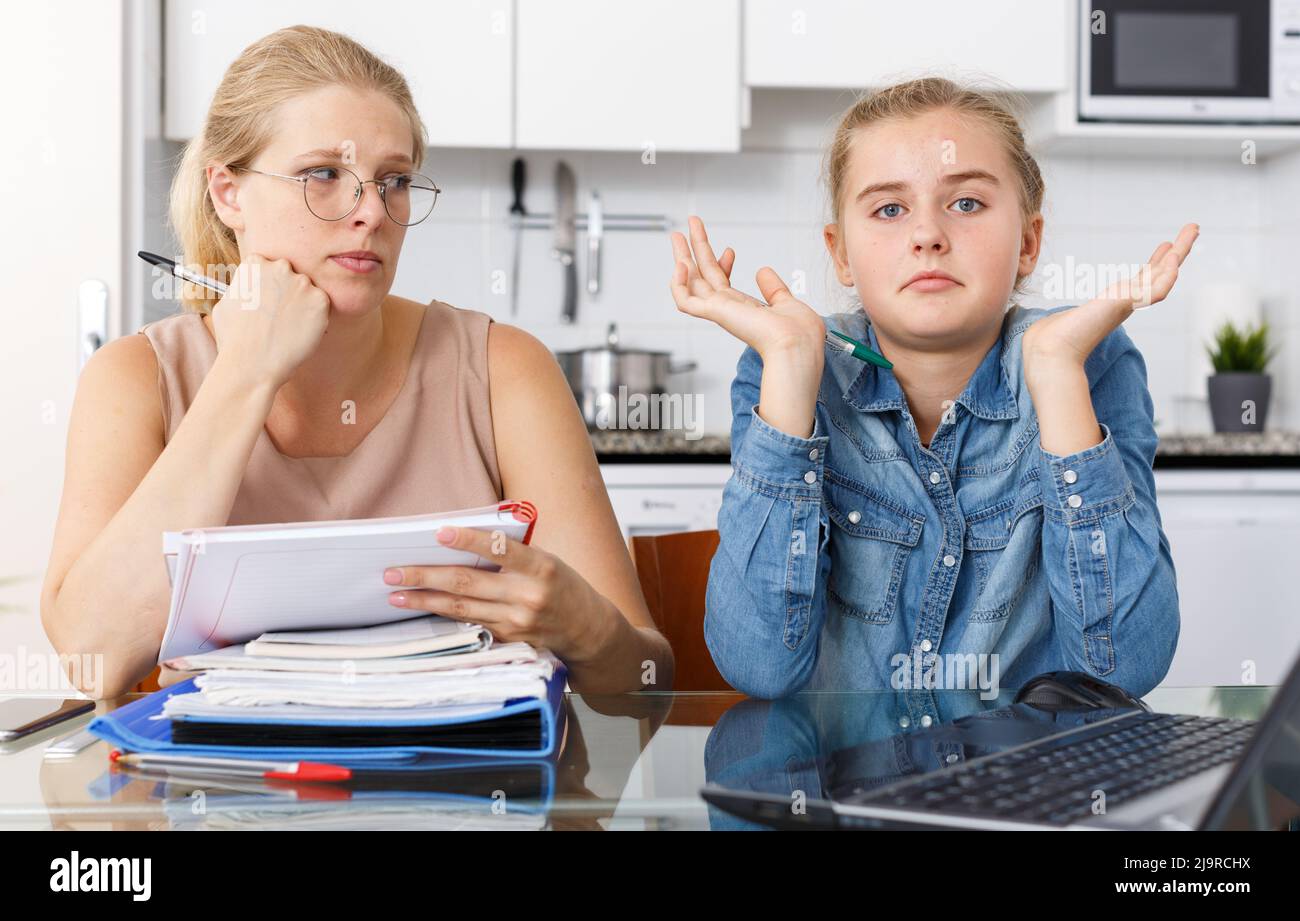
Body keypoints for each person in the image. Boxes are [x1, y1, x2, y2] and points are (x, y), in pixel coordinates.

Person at [41, 25, 672, 699]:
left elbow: (646, 679)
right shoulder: (135, 378)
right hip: (223, 794)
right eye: (324, 175)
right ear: (228, 194)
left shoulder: (503, 368)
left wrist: (585, 628)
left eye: (393, 180)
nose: (371, 211)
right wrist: (248, 370)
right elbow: (92, 655)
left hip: (466, 789)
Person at [670, 77, 1196, 699]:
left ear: (1027, 241)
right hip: (836, 790)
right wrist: (788, 363)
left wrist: (1055, 370)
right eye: (889, 209)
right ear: (840, 255)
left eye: (966, 203)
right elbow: (759, 668)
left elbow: (1124, 669)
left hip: (1023, 790)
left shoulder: (1089, 362)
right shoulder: (783, 368)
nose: (928, 236)